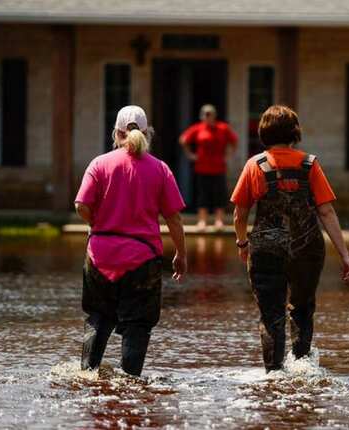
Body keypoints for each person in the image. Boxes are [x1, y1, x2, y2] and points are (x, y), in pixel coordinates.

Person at [232, 105, 349, 372]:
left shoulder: (254, 165)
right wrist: (344, 254)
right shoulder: (309, 164)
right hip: (306, 250)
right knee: (302, 309)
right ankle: (302, 368)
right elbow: (326, 211)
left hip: (265, 250)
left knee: (271, 315)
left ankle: (274, 374)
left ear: (263, 133)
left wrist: (243, 244)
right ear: (294, 133)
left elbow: (239, 215)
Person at [74, 105, 188, 376]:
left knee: (98, 318)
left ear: (116, 133)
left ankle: (86, 375)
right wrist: (181, 254)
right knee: (138, 324)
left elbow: (81, 205)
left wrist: (97, 225)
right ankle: (130, 382)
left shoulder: (99, 164)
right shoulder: (160, 169)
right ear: (147, 133)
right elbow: (174, 219)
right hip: (142, 259)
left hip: (100, 257)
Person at [179, 104, 238, 229]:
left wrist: (228, 156)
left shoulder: (223, 128)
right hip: (202, 168)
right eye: (205, 114)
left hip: (218, 167)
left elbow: (234, 141)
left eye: (210, 114)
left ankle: (219, 221)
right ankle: (202, 221)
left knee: (219, 194)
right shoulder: (198, 128)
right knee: (203, 195)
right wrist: (191, 155)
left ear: (214, 115)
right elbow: (183, 140)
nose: (207, 117)